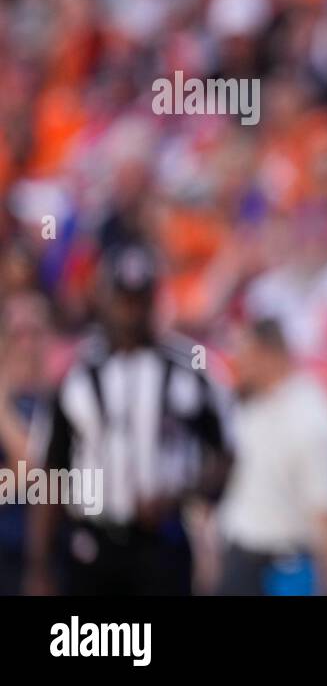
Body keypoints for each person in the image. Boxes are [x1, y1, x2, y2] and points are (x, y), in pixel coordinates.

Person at [26, 243, 232, 595]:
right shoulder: (76, 375)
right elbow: (51, 470)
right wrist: (40, 565)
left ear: (155, 299)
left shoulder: (192, 371)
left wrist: (183, 493)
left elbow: (226, 454)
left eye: (139, 299)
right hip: (91, 542)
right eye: (124, 298)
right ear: (105, 299)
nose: (131, 311)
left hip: (163, 543)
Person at [217, 317, 327, 595]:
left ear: (269, 355)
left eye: (244, 354)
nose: (237, 363)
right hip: (239, 558)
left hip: (284, 568)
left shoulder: (312, 419)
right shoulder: (248, 405)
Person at [0, 292, 54, 594]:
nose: (28, 345)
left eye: (36, 333)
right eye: (18, 334)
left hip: (52, 557)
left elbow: (36, 467)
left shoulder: (67, 399)